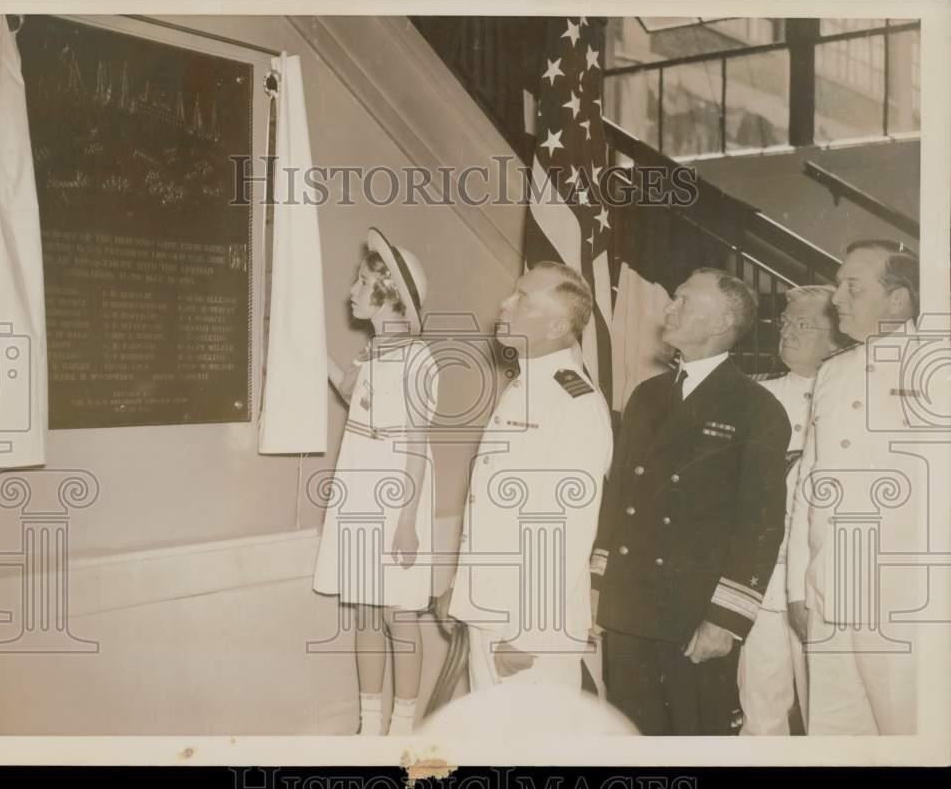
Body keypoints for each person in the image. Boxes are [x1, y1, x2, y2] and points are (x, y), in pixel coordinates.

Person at [592, 267, 791, 735]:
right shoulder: (647, 396)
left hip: (693, 613)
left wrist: (725, 619)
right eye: (673, 297)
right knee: (631, 734)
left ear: (722, 322)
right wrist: (600, 584)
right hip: (630, 604)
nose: (669, 308)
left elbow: (760, 526)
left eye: (684, 300)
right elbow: (618, 498)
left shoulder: (756, 408)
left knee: (695, 738)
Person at [441, 262, 613, 692]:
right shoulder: (526, 387)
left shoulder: (573, 402)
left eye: (523, 298)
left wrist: (527, 632)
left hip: (529, 630)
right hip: (492, 609)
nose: (505, 303)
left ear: (557, 324)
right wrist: (463, 590)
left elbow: (565, 530)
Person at [787, 240, 924, 735]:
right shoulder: (833, 371)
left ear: (898, 300)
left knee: (907, 732)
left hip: (907, 600)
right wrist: (799, 583)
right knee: (833, 733)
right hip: (830, 590)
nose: (836, 297)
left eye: (853, 286)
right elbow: (810, 482)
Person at [311, 227, 437, 736]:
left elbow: (414, 445)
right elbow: (349, 392)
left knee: (398, 612)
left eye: (364, 283)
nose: (353, 292)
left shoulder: (416, 358)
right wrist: (308, 352)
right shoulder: (375, 351)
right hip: (358, 485)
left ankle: (403, 727)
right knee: (364, 608)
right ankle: (370, 726)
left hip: (394, 494)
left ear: (390, 295)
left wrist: (406, 522)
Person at [736, 285, 851, 736]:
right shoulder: (755, 396)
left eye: (803, 324)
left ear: (838, 338)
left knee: (829, 707)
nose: (788, 332)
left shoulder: (849, 398)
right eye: (785, 323)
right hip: (764, 571)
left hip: (823, 575)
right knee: (760, 701)